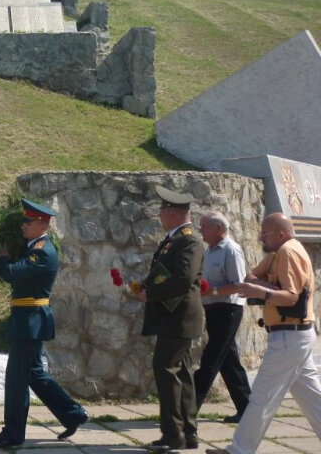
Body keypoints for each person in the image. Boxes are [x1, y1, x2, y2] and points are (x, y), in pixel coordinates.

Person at [206, 213, 321, 454]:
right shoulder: (278, 253)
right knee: (312, 397)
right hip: (294, 335)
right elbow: (250, 277)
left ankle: (239, 450)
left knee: (261, 396)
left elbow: (291, 297)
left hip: (289, 334)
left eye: (265, 233)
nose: (260, 237)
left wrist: (262, 291)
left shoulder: (288, 252)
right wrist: (264, 286)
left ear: (281, 234)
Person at [0, 198, 89, 449]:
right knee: (34, 373)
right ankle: (73, 413)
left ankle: (12, 434)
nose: (23, 225)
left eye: (27, 221)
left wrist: (2, 258)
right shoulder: (34, 246)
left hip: (30, 320)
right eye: (23, 220)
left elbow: (11, 273)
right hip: (27, 318)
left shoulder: (41, 251)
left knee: (16, 378)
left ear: (42, 224)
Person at [133, 185, 204, 452]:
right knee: (181, 374)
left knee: (167, 372)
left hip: (179, 318)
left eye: (162, 210)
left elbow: (184, 279)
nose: (160, 215)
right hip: (174, 318)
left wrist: (151, 294)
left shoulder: (189, 240)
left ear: (173, 213)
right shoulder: (175, 239)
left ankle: (173, 436)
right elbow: (165, 272)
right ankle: (187, 433)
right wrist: (144, 286)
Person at [193, 211, 251, 423]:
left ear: (219, 228)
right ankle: (247, 408)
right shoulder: (210, 251)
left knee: (211, 359)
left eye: (204, 227)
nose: (201, 231)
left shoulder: (231, 250)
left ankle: (187, 410)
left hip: (228, 310)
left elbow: (238, 284)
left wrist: (213, 292)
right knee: (228, 361)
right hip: (213, 310)